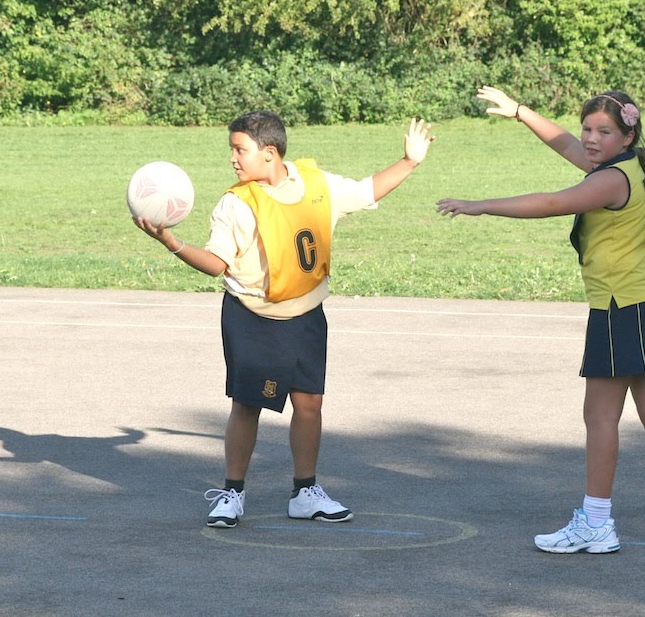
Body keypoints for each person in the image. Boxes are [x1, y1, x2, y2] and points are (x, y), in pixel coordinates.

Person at [436, 86, 645, 553]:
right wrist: (521, 112)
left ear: (628, 134)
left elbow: (550, 203)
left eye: (604, 131)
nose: (591, 138)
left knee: (600, 416)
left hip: (621, 308)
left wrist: (479, 205)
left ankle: (596, 522)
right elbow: (564, 144)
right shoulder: (626, 165)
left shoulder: (608, 180)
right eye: (588, 128)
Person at [135, 111, 433, 528]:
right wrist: (172, 242)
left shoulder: (317, 185)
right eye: (232, 150)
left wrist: (410, 162)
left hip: (306, 315)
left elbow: (367, 191)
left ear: (269, 153)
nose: (233, 159)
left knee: (309, 405)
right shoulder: (236, 204)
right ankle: (232, 493)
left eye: (240, 150)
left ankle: (305, 491)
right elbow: (216, 264)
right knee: (248, 405)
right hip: (253, 317)